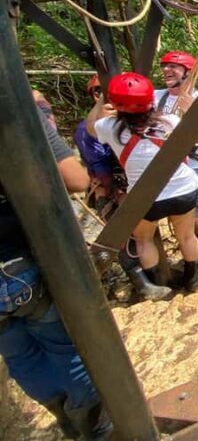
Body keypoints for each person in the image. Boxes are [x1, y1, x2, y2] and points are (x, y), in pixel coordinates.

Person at [0, 106, 112, 439]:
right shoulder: (14, 106)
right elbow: (76, 179)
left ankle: (64, 416)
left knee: (18, 353)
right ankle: (92, 423)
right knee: (63, 347)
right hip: (19, 263)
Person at [87, 72, 198, 293]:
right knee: (187, 235)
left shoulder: (109, 127)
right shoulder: (171, 121)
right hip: (184, 188)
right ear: (150, 100)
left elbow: (91, 126)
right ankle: (192, 281)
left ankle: (160, 284)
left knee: (143, 239)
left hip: (146, 197)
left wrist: (102, 100)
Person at [155, 51, 198, 280]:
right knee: (181, 218)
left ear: (188, 73)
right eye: (165, 67)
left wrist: (191, 109)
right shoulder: (156, 97)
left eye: (174, 67)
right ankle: (192, 258)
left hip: (196, 164)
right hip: (170, 166)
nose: (167, 71)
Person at [73, 76, 115, 211]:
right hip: (108, 184)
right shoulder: (85, 130)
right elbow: (100, 166)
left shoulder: (127, 122)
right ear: (97, 95)